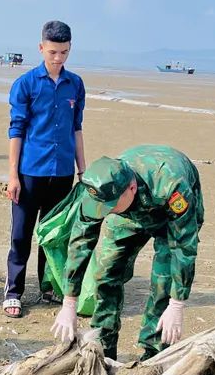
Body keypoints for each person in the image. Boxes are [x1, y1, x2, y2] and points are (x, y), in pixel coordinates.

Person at [50, 146, 205, 360]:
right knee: (105, 274)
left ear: (131, 187)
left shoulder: (172, 186)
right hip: (128, 214)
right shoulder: (101, 190)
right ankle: (103, 349)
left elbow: (184, 247)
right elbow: (80, 243)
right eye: (102, 206)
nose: (106, 211)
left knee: (163, 282)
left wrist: (177, 303)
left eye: (110, 206)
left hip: (169, 215)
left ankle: (153, 355)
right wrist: (69, 303)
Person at [3, 20, 86, 318]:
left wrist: (82, 171)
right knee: (21, 234)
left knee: (53, 234)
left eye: (64, 52)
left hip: (62, 173)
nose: (58, 58)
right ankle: (14, 291)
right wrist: (13, 175)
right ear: (41, 48)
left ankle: (49, 286)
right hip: (30, 173)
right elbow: (17, 131)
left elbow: (76, 130)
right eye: (53, 52)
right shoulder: (25, 84)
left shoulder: (75, 84)